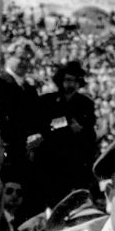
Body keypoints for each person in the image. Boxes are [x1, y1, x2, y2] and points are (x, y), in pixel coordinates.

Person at [0, 39, 42, 220]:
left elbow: (36, 120)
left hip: (26, 156)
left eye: (28, 59)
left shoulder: (29, 89)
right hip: (7, 154)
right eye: (20, 58)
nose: (24, 63)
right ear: (9, 57)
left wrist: (36, 135)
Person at [35, 60, 99, 209]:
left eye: (75, 81)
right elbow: (45, 126)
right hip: (52, 161)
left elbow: (88, 130)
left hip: (77, 162)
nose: (71, 84)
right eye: (68, 80)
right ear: (61, 80)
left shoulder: (86, 103)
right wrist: (67, 123)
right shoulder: (47, 101)